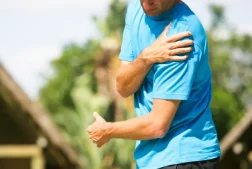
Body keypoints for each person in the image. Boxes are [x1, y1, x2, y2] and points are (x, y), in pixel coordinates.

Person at [87, 0, 221, 168]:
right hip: (150, 159)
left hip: (185, 157)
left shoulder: (181, 35)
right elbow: (123, 87)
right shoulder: (137, 8)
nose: (148, 2)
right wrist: (147, 57)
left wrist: (107, 130)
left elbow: (157, 125)